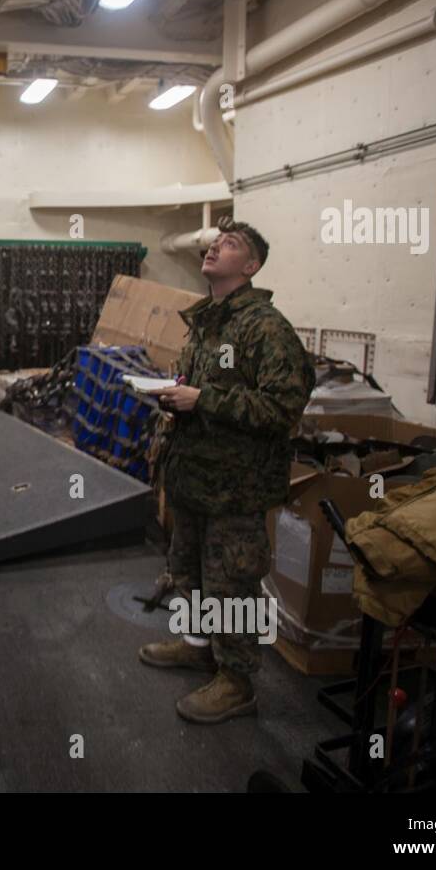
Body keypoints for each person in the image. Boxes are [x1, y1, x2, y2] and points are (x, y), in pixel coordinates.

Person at [139, 214, 316, 724]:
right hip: (195, 478)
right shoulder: (206, 323)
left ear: (252, 265)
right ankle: (198, 646)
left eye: (230, 244)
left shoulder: (266, 328)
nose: (214, 248)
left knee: (232, 585)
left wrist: (204, 399)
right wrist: (175, 399)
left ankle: (238, 682)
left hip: (237, 489)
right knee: (188, 570)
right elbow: (202, 394)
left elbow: (283, 410)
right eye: (214, 242)